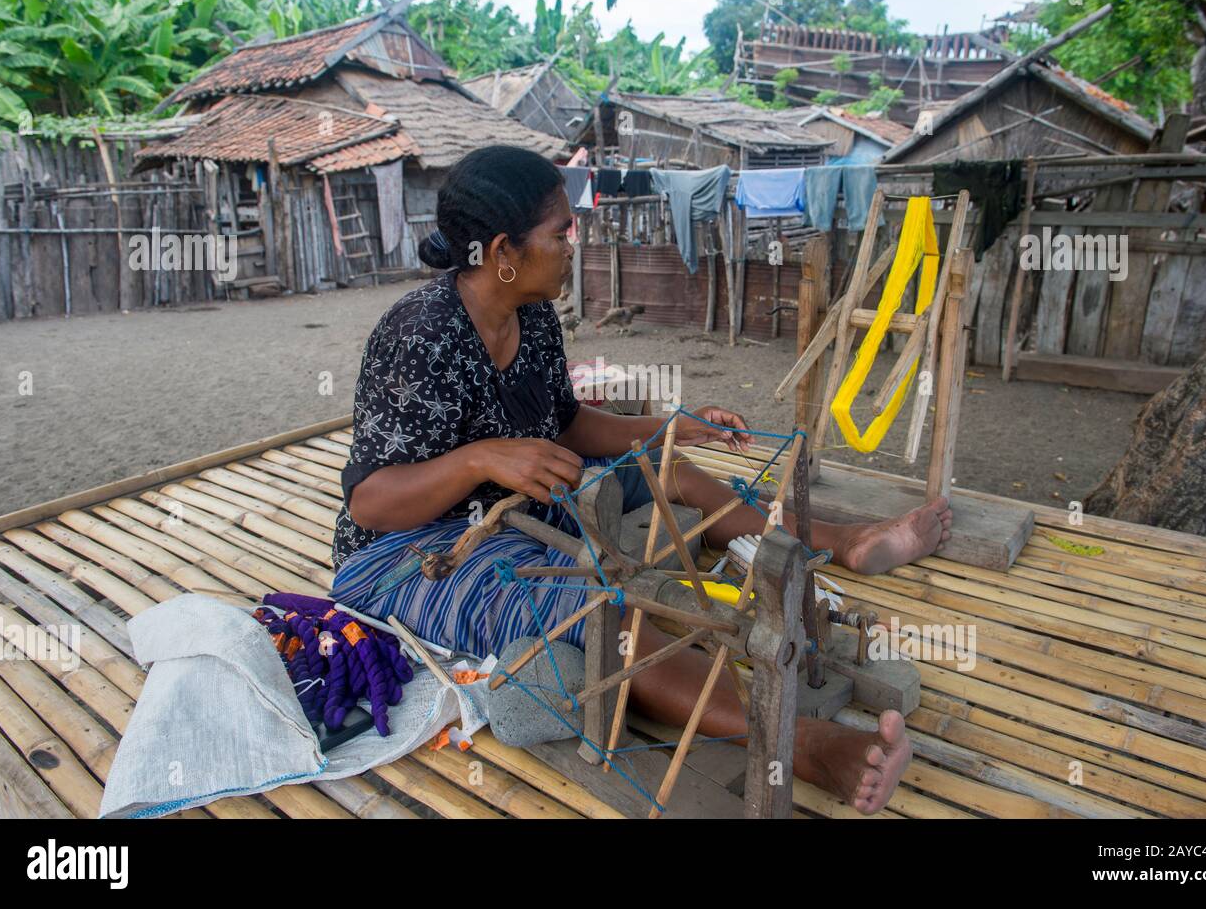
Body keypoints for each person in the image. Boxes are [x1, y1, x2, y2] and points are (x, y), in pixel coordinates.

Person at [331, 145, 952, 814]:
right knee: (589, 600)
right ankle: (798, 742)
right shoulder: (420, 335)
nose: (575, 243)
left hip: (523, 494)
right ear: (505, 250)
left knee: (668, 474)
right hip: (409, 552)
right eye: (561, 232)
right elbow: (370, 504)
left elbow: (567, 425)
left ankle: (844, 539)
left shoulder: (532, 315)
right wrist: (482, 457)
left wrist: (669, 428)